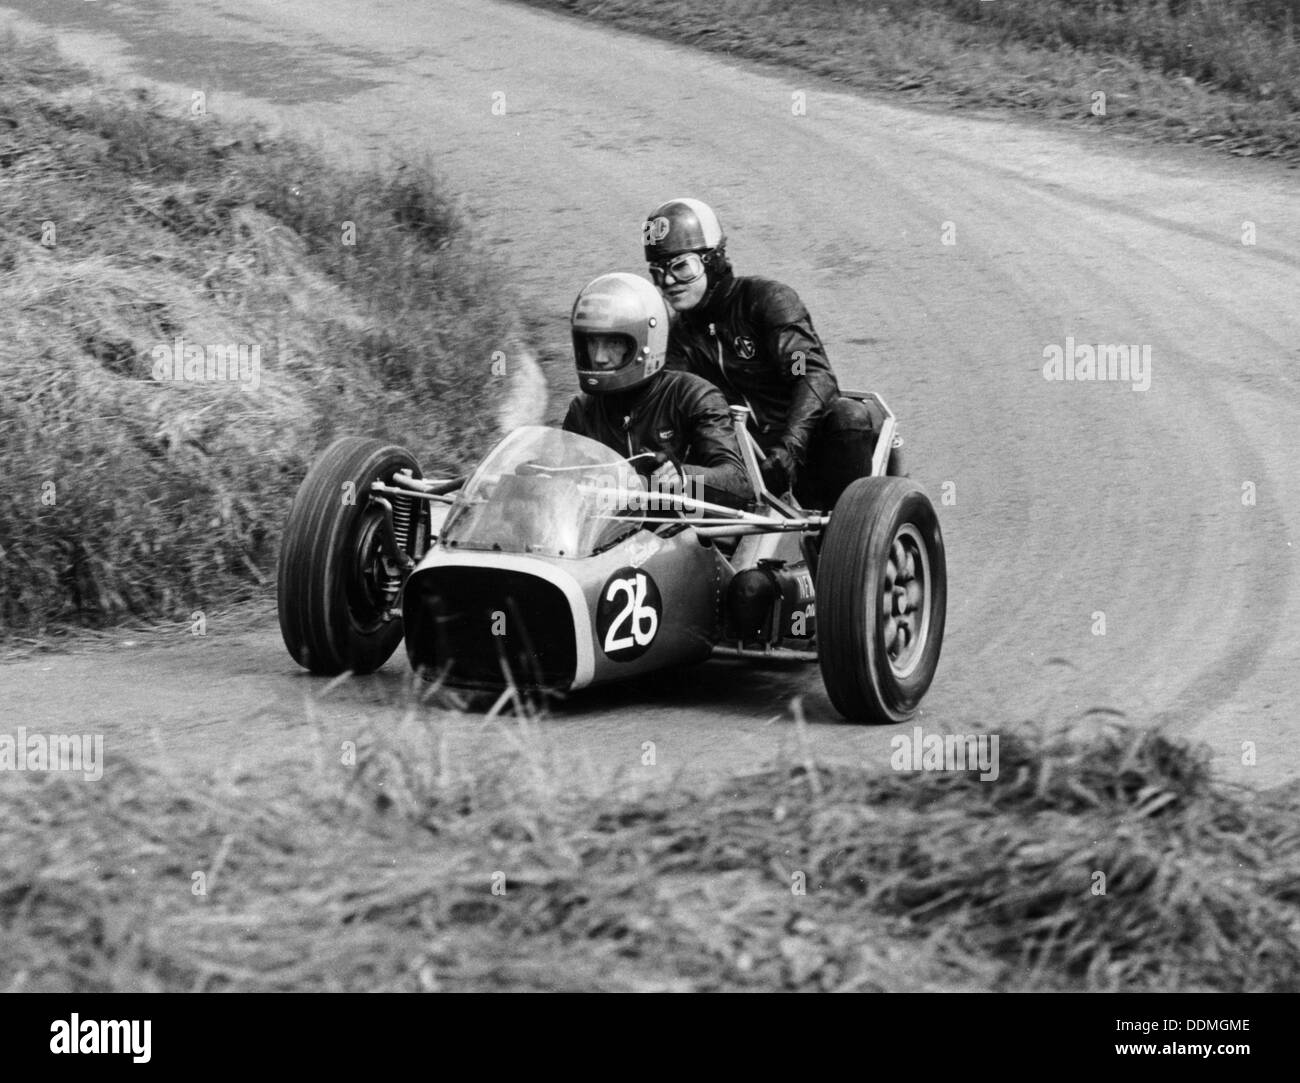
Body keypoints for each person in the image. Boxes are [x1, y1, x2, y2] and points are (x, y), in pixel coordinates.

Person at [641, 197, 893, 510]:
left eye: (681, 268)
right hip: (741, 469)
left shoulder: (768, 302)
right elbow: (674, 410)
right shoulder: (677, 338)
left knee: (848, 416)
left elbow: (810, 372)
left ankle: (840, 533)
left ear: (712, 261)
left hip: (805, 453)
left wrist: (791, 447)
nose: (668, 281)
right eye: (658, 272)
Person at [561, 272, 751, 508]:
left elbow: (739, 482)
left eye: (613, 343)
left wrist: (685, 477)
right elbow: (564, 480)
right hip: (610, 536)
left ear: (646, 343)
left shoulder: (692, 396)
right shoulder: (583, 411)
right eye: (592, 343)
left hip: (686, 534)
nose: (599, 357)